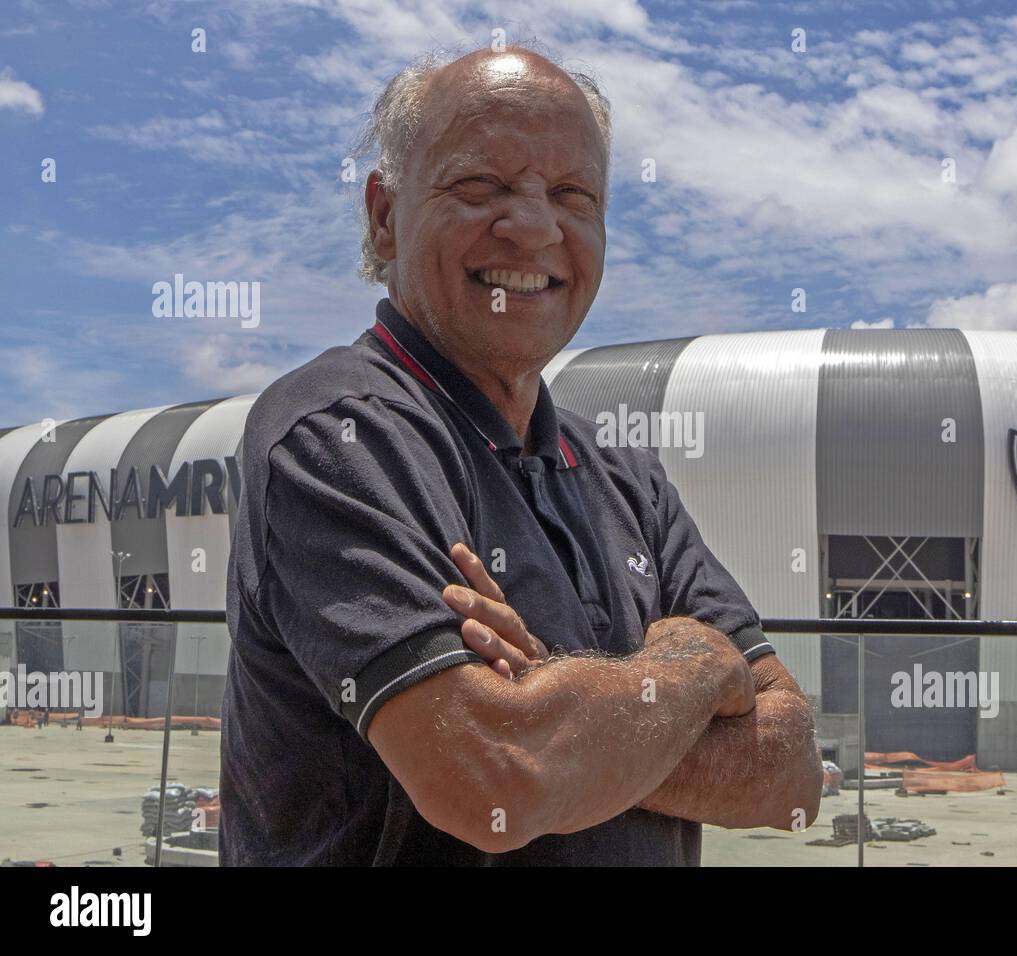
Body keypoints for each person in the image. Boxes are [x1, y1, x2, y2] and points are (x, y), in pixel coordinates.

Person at [219, 46, 821, 866]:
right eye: (481, 186)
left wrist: (555, 709)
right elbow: (495, 779)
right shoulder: (337, 434)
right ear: (385, 216)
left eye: (573, 194)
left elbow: (790, 775)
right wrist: (695, 663)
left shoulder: (626, 478)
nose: (534, 226)